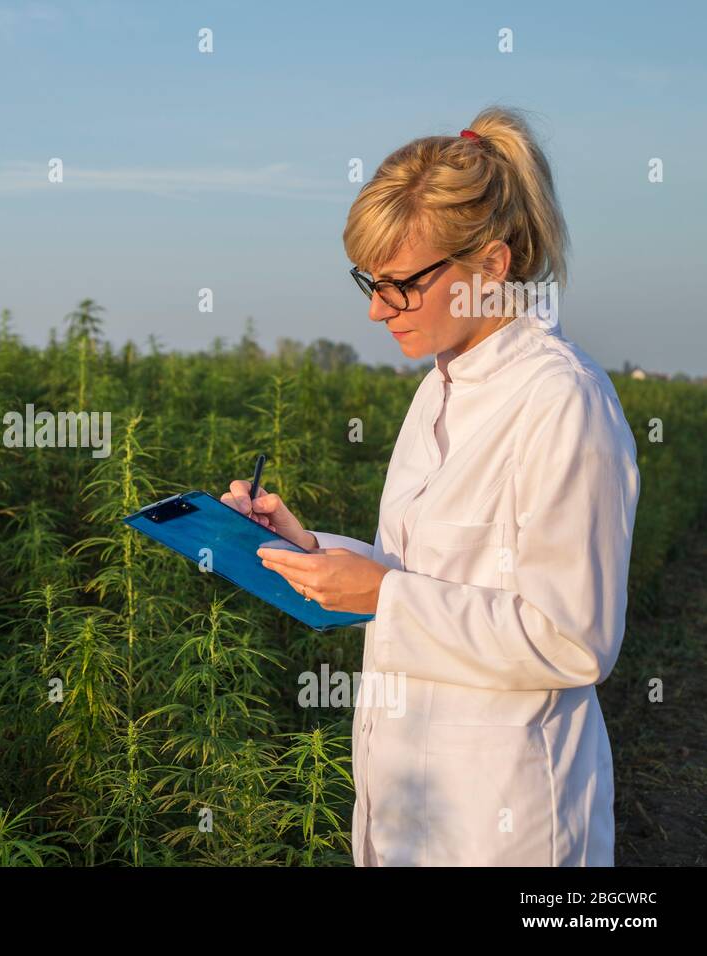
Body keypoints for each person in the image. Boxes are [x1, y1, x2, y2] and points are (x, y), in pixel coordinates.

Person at [222, 106, 640, 866]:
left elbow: (575, 639)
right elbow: (421, 574)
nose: (378, 310)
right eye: (369, 282)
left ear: (491, 266)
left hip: (509, 823)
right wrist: (311, 550)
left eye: (402, 285)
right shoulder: (438, 389)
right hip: (410, 806)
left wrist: (385, 597)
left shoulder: (561, 400)